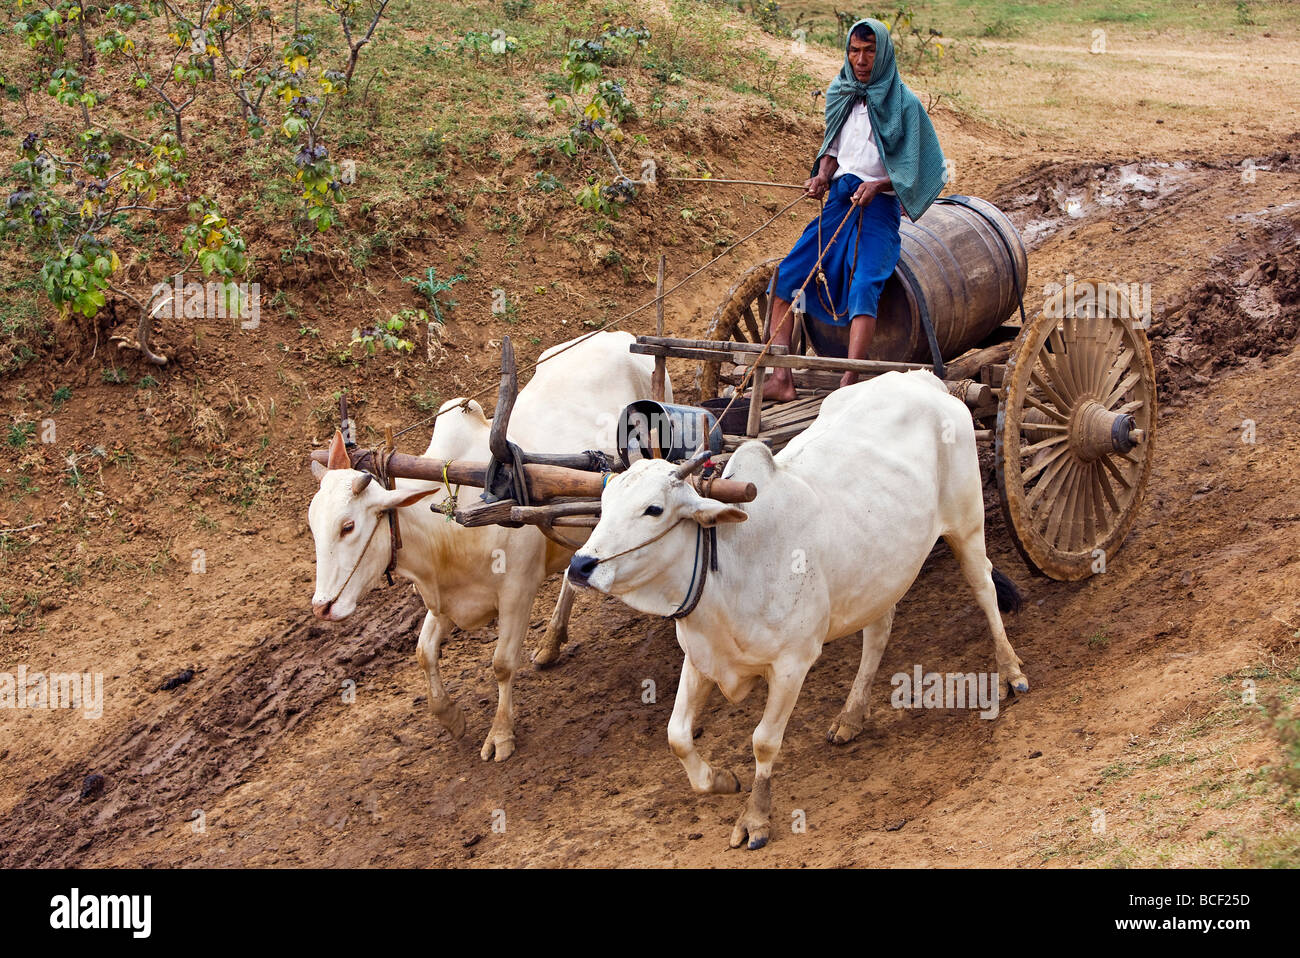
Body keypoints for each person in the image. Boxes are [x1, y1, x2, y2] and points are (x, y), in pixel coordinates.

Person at [762, 18, 948, 401]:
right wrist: (821, 178)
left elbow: (917, 172)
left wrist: (878, 184)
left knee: (865, 282)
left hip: (878, 207)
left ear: (883, 54)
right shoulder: (841, 92)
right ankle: (781, 378)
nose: (861, 60)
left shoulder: (905, 104)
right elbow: (832, 153)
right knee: (786, 278)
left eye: (869, 51)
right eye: (854, 51)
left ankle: (850, 380)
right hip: (839, 202)